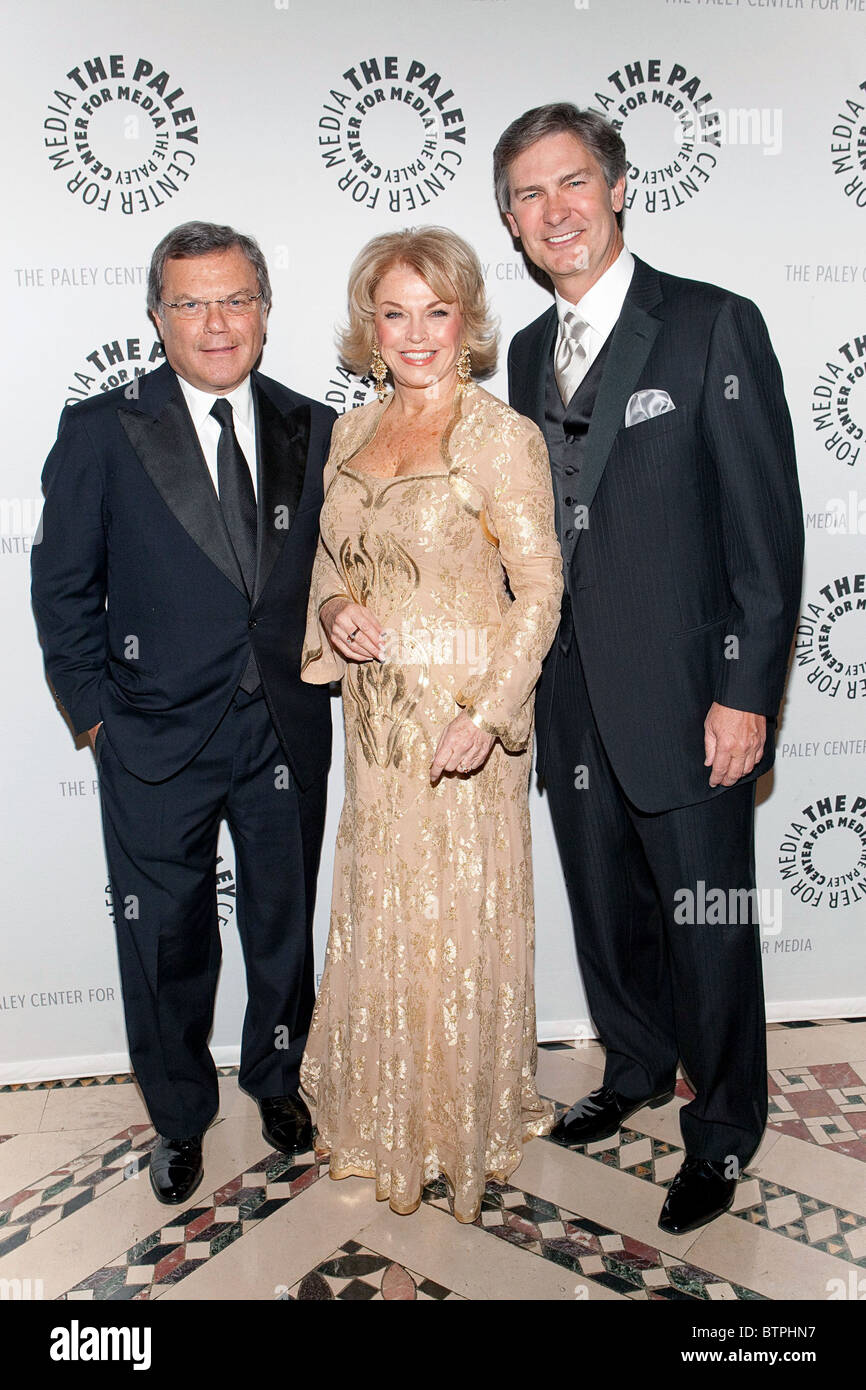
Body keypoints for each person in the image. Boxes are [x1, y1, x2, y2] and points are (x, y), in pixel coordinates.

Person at [494, 104, 804, 1234]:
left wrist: (743, 693)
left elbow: (766, 540)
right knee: (604, 910)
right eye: (527, 196)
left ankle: (720, 1128)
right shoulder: (525, 353)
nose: (552, 210)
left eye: (569, 182)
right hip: (567, 704)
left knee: (707, 920)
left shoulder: (711, 325)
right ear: (512, 225)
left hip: (688, 698)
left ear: (617, 188)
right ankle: (631, 1066)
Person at [31, 221, 336, 1205]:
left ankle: (281, 1080)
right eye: (191, 302)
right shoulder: (101, 428)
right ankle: (177, 1116)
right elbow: (63, 587)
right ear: (157, 317)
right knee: (164, 937)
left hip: (285, 729)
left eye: (235, 298)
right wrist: (95, 717)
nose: (216, 322)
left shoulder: (314, 424)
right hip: (152, 733)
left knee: (283, 927)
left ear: (264, 308)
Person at [299, 227, 563, 1224]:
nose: (414, 332)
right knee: (384, 912)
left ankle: (455, 1123)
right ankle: (380, 1113)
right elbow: (330, 562)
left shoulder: (500, 438)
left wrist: (486, 713)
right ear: (370, 324)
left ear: (466, 321)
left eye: (434, 310)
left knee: (453, 926)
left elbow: (537, 588)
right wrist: (331, 611)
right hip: (373, 727)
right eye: (392, 311)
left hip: (458, 724)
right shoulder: (349, 433)